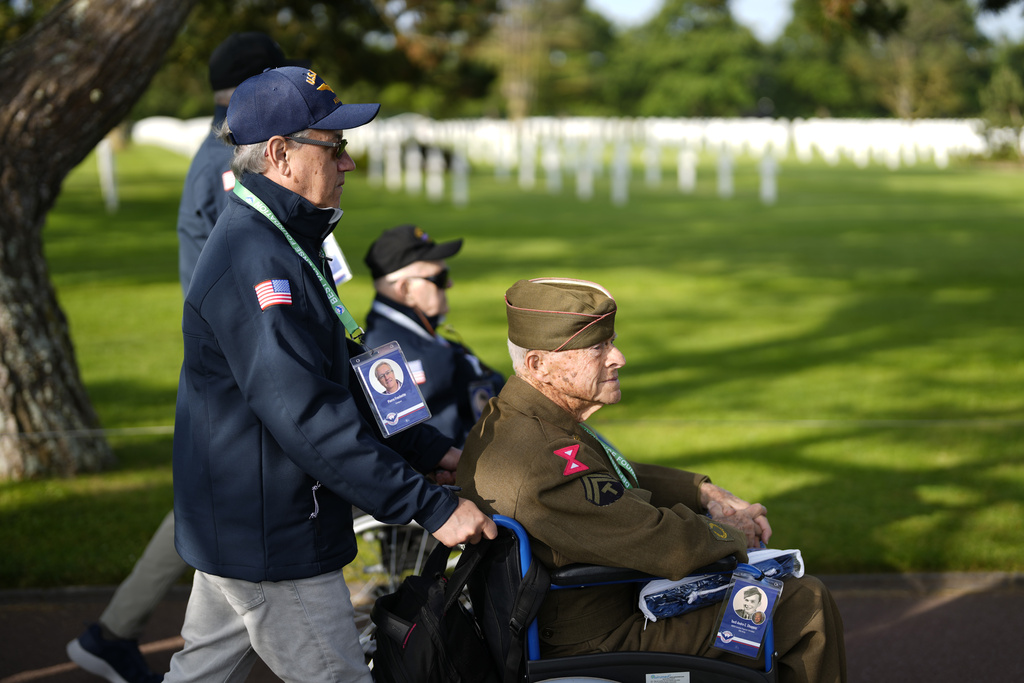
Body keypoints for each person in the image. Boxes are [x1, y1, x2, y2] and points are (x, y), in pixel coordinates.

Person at [164, 65, 495, 683]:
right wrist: (429, 506)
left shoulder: (284, 234)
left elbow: (345, 364)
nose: (347, 162)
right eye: (335, 146)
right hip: (274, 530)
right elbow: (304, 413)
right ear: (282, 153)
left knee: (201, 674)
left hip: (248, 514)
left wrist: (427, 447)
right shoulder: (257, 257)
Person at [456, 277, 847, 683]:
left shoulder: (522, 418)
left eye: (611, 342)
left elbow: (610, 472)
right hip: (605, 639)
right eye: (596, 348)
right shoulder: (541, 461)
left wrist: (703, 492)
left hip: (603, 611)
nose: (618, 357)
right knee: (802, 603)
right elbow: (663, 543)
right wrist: (733, 533)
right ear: (540, 364)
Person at [66, 32, 306, 683]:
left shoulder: (222, 150)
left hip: (238, 351)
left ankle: (115, 630)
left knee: (219, 503)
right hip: (242, 354)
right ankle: (112, 629)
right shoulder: (229, 162)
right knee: (227, 495)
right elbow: (256, 266)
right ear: (260, 82)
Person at [363, 224, 504, 445]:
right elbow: (439, 443)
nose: (449, 284)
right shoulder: (394, 353)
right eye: (439, 278)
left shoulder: (415, 335)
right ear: (405, 290)